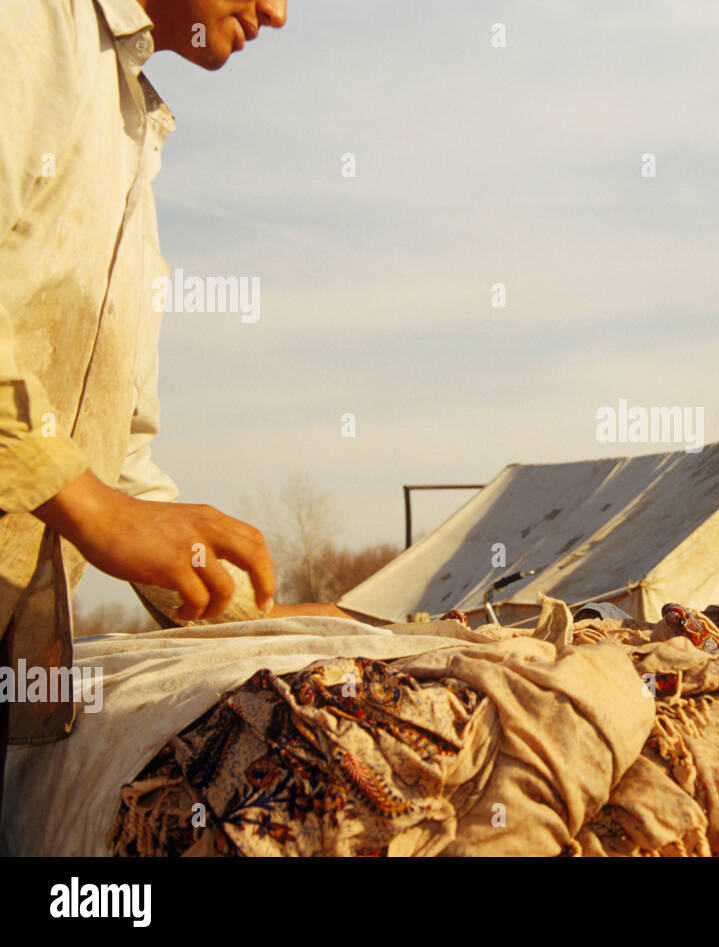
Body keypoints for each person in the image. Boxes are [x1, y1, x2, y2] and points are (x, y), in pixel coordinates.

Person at [0, 0, 341, 808]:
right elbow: (100, 497)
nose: (279, 13)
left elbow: (116, 466)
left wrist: (247, 612)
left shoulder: (129, 123)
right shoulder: (25, 28)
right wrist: (98, 507)